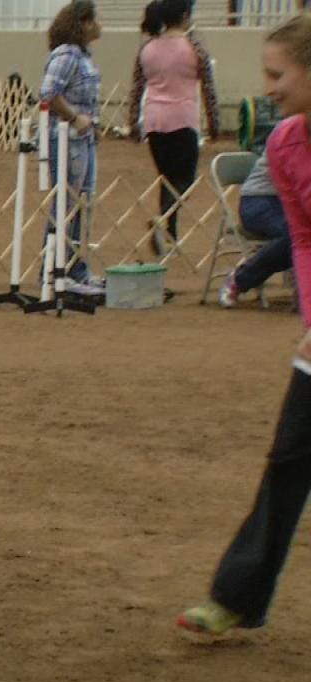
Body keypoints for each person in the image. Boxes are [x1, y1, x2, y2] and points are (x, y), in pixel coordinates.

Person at [177, 13, 311, 637]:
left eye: (277, 74)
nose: (269, 88)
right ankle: (238, 595)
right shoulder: (284, 146)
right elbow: (303, 241)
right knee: (288, 461)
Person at [126, 0, 220, 254]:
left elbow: (136, 89)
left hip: (154, 120)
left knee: (166, 179)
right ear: (185, 15)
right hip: (183, 119)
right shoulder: (194, 47)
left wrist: (133, 122)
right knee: (185, 180)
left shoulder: (147, 48)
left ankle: (170, 234)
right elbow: (208, 89)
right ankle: (164, 223)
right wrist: (214, 122)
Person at [38, 0, 103, 290]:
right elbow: (49, 93)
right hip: (66, 139)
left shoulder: (84, 56)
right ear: (81, 24)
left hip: (84, 140)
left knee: (82, 204)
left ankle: (75, 268)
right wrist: (76, 118)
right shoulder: (66, 55)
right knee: (67, 205)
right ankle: (54, 270)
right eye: (93, 20)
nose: (98, 25)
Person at [219, 148, 296, 308]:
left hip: (290, 203)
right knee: (296, 234)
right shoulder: (287, 137)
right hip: (258, 202)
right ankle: (239, 280)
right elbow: (295, 180)